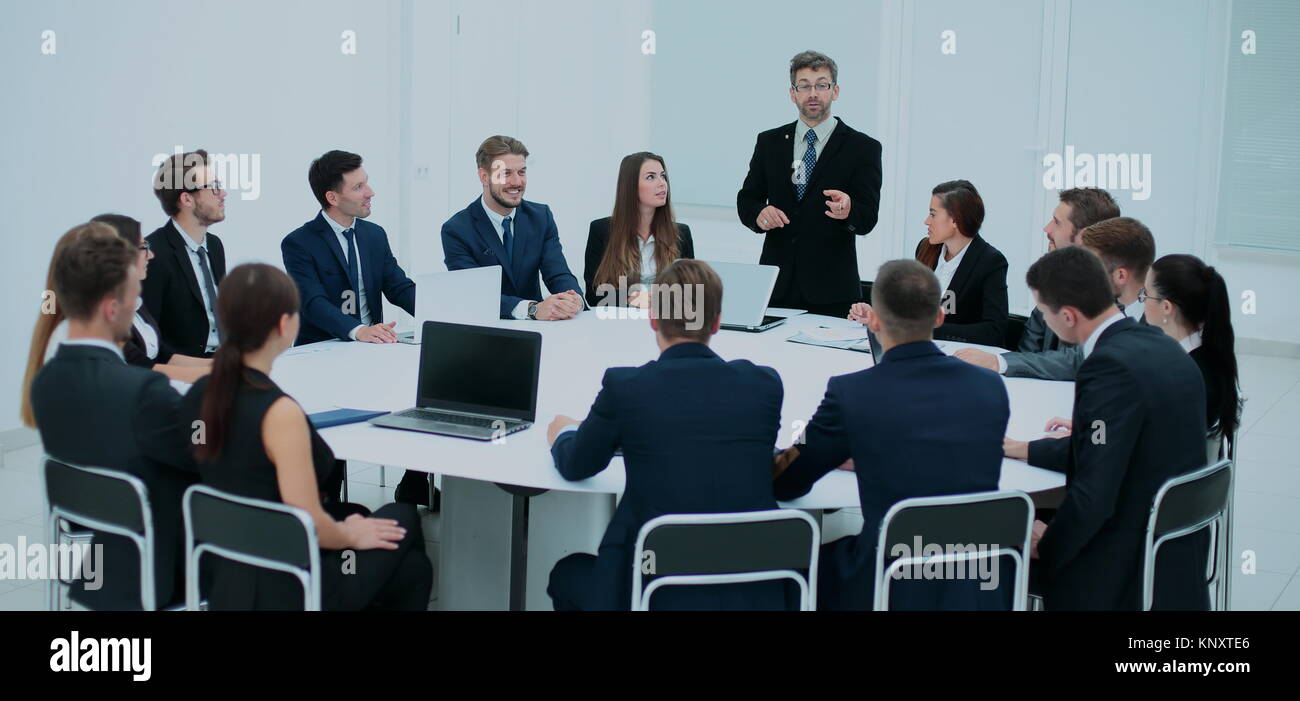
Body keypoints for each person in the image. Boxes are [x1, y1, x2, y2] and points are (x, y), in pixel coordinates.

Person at [179, 263, 432, 610]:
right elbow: (308, 522)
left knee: (411, 569)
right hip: (289, 581)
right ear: (285, 325)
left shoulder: (200, 392)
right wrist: (350, 534)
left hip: (225, 570)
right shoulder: (279, 414)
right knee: (402, 520)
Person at [545, 260, 791, 610]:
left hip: (648, 587)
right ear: (718, 322)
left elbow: (577, 465)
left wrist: (564, 431)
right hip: (751, 589)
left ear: (654, 319)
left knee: (567, 574)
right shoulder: (763, 384)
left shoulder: (627, 387)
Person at [774, 259, 1011, 610]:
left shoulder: (852, 392)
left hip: (890, 577)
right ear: (940, 318)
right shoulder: (990, 386)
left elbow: (790, 480)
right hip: (980, 580)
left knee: (784, 568)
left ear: (873, 319)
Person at [1003, 247, 1209, 610]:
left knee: (998, 548)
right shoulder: (1164, 347)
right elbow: (1111, 448)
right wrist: (1026, 448)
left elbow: (1094, 494)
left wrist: (1047, 542)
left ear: (1067, 316)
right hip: (1176, 547)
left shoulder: (1107, 366)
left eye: (1045, 312)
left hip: (1122, 560)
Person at [28, 222, 198, 609]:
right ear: (111, 308)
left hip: (102, 551)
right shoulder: (143, 392)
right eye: (134, 297)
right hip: (165, 562)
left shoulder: (45, 382)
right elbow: (202, 461)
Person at [737, 50, 882, 319]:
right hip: (777, 286)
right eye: (804, 86)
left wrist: (849, 210)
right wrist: (759, 214)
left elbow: (868, 217)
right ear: (793, 93)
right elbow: (747, 199)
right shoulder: (769, 142)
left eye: (821, 85)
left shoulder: (863, 148)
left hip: (833, 291)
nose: (812, 93)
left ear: (835, 91)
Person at [953, 187, 1119, 378]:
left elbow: (1076, 361)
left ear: (1084, 235)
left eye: (1057, 223)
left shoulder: (1115, 294)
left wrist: (998, 361)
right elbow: (1028, 350)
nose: (1047, 229)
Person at [442, 135, 585, 320]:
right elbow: (474, 295)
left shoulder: (541, 217)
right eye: (506, 174)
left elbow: (558, 273)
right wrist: (532, 309)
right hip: (485, 330)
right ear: (484, 177)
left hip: (537, 331)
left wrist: (573, 299)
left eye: (522, 172)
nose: (517, 182)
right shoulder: (457, 229)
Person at [281, 150, 416, 345]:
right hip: (324, 349)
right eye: (358, 187)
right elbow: (313, 302)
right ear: (332, 198)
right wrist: (359, 331)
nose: (370, 192)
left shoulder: (375, 235)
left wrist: (438, 314)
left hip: (373, 346)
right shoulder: (299, 243)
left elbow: (399, 287)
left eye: (366, 182)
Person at [850, 180, 1008, 346]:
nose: (927, 221)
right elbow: (910, 308)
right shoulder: (926, 248)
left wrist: (925, 330)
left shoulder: (990, 262)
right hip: (921, 349)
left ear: (955, 220)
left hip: (962, 356)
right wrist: (880, 317)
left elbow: (994, 330)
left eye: (933, 214)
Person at [1142, 254, 1241, 441]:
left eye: (1145, 294)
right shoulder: (1208, 356)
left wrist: (1094, 432)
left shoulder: (1180, 375)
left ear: (1166, 307)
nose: (1142, 300)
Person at [141, 149, 227, 358]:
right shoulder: (153, 254)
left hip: (223, 361)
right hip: (181, 372)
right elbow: (150, 340)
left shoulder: (214, 245)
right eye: (213, 188)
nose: (223, 193)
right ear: (187, 199)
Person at [584, 152, 694, 308]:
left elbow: (690, 294)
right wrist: (631, 298)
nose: (662, 183)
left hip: (665, 325)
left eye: (663, 176)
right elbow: (592, 294)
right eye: (651, 177)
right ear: (630, 186)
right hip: (618, 325)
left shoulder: (681, 233)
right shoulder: (601, 230)